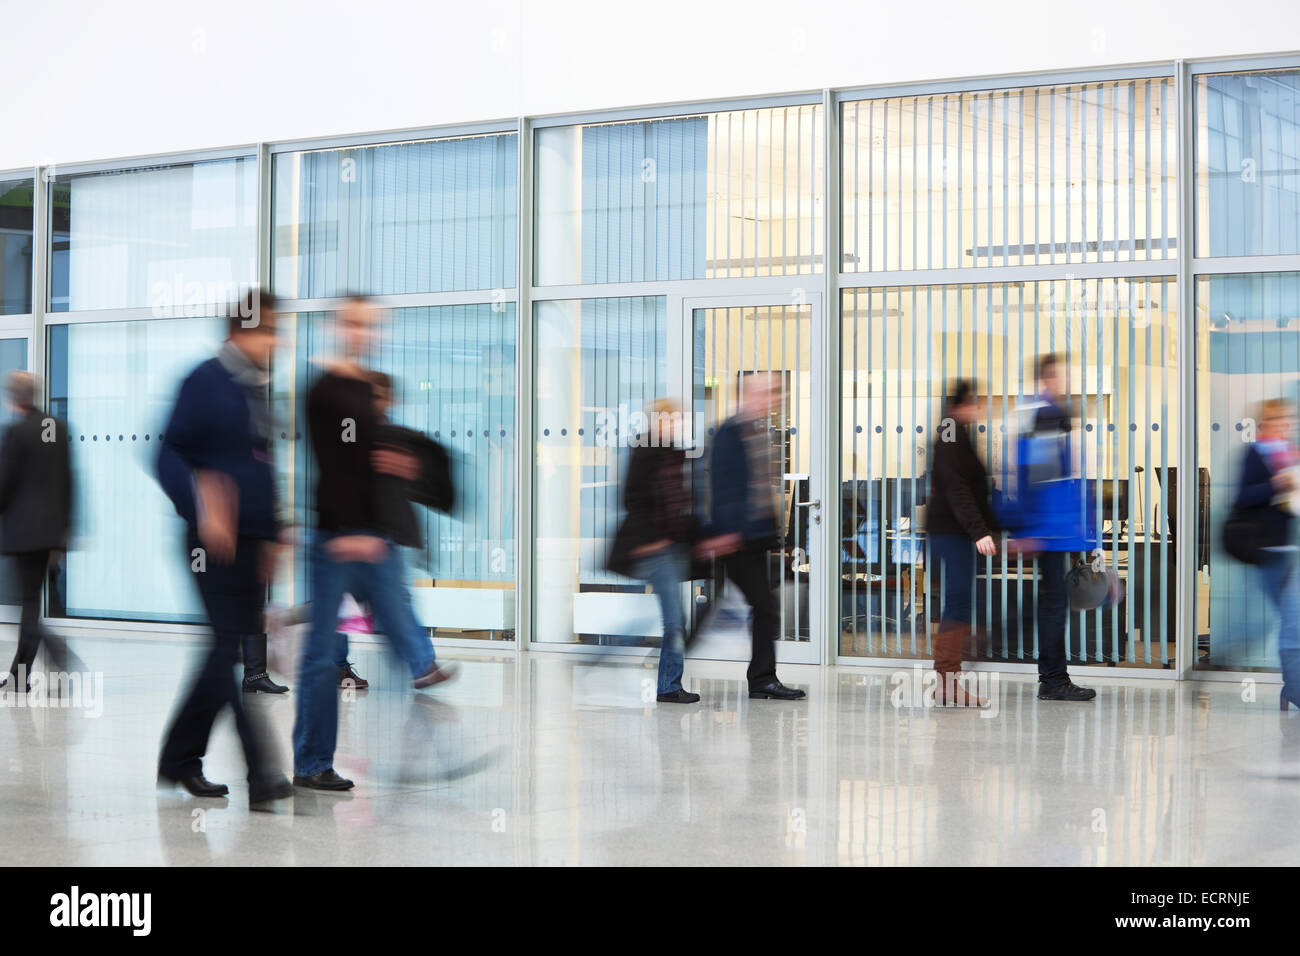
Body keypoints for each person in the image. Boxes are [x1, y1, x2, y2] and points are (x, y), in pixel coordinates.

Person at [292, 296, 456, 793]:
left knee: (394, 617)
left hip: (373, 534)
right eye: (358, 324)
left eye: (373, 325)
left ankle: (420, 669)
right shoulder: (325, 389)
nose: (367, 333)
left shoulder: (363, 387)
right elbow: (334, 468)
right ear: (340, 326)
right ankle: (312, 762)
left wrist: (393, 464)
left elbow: (362, 459)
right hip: (339, 538)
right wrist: (352, 532)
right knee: (322, 654)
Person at [154, 288, 292, 809]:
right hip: (211, 543)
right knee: (221, 650)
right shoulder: (205, 380)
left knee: (222, 653)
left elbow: (262, 467)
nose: (277, 341)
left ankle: (180, 758)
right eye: (271, 331)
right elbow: (167, 451)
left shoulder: (257, 388)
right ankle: (261, 773)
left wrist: (277, 533)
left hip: (254, 544)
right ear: (242, 331)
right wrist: (201, 504)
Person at [697, 372, 805, 701]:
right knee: (764, 605)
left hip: (753, 538)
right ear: (747, 395)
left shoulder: (755, 430)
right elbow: (724, 487)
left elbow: (758, 488)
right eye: (766, 392)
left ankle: (760, 677)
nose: (772, 398)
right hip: (736, 539)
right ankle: (762, 679)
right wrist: (726, 532)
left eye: (774, 392)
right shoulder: (731, 433)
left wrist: (775, 535)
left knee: (751, 605)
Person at [606, 399, 700, 704]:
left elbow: (677, 500)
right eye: (671, 420)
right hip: (654, 547)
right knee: (673, 620)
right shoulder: (645, 452)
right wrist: (653, 539)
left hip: (670, 546)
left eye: (678, 420)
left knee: (671, 619)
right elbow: (632, 498)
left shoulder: (673, 453)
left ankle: (663, 680)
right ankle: (667, 685)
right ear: (657, 421)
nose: (677, 424)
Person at [1018, 354, 1096, 702]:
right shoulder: (1046, 415)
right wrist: (1034, 528)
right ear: (1044, 379)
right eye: (1056, 376)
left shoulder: (1048, 415)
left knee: (1052, 603)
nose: (1061, 382)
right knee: (1053, 605)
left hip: (1052, 529)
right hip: (1048, 531)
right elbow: (1039, 479)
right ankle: (1053, 679)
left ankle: (1053, 677)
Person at [0, 371, 74, 693]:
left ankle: (57, 652)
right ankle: (19, 677)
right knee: (32, 602)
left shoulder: (17, 432)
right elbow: (70, 483)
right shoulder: (58, 428)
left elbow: (4, 486)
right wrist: (66, 530)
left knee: (29, 604)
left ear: (14, 399)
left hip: (23, 533)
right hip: (51, 533)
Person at [928, 380, 997, 706]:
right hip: (951, 532)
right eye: (974, 402)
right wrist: (978, 531)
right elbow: (957, 489)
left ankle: (947, 681)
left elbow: (973, 490)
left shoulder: (956, 433)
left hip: (956, 532)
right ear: (960, 404)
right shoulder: (951, 434)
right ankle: (946, 683)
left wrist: (991, 527)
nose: (978, 408)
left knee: (958, 602)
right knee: (956, 603)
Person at [1234, 398, 1300, 710]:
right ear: (1264, 424)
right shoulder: (1255, 454)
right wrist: (1277, 483)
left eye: (1287, 420)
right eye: (1278, 420)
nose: (1285, 425)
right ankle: (1295, 691)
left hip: (1288, 550)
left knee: (1292, 623)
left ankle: (1291, 689)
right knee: (1292, 626)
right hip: (1268, 552)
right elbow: (1243, 498)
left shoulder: (1288, 453)